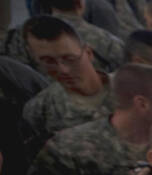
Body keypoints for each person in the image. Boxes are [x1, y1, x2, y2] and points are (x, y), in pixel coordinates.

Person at [20, 16, 113, 152]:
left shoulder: (133, 89)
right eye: (48, 61)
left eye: (69, 58)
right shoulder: (39, 111)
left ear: (88, 53)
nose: (63, 69)